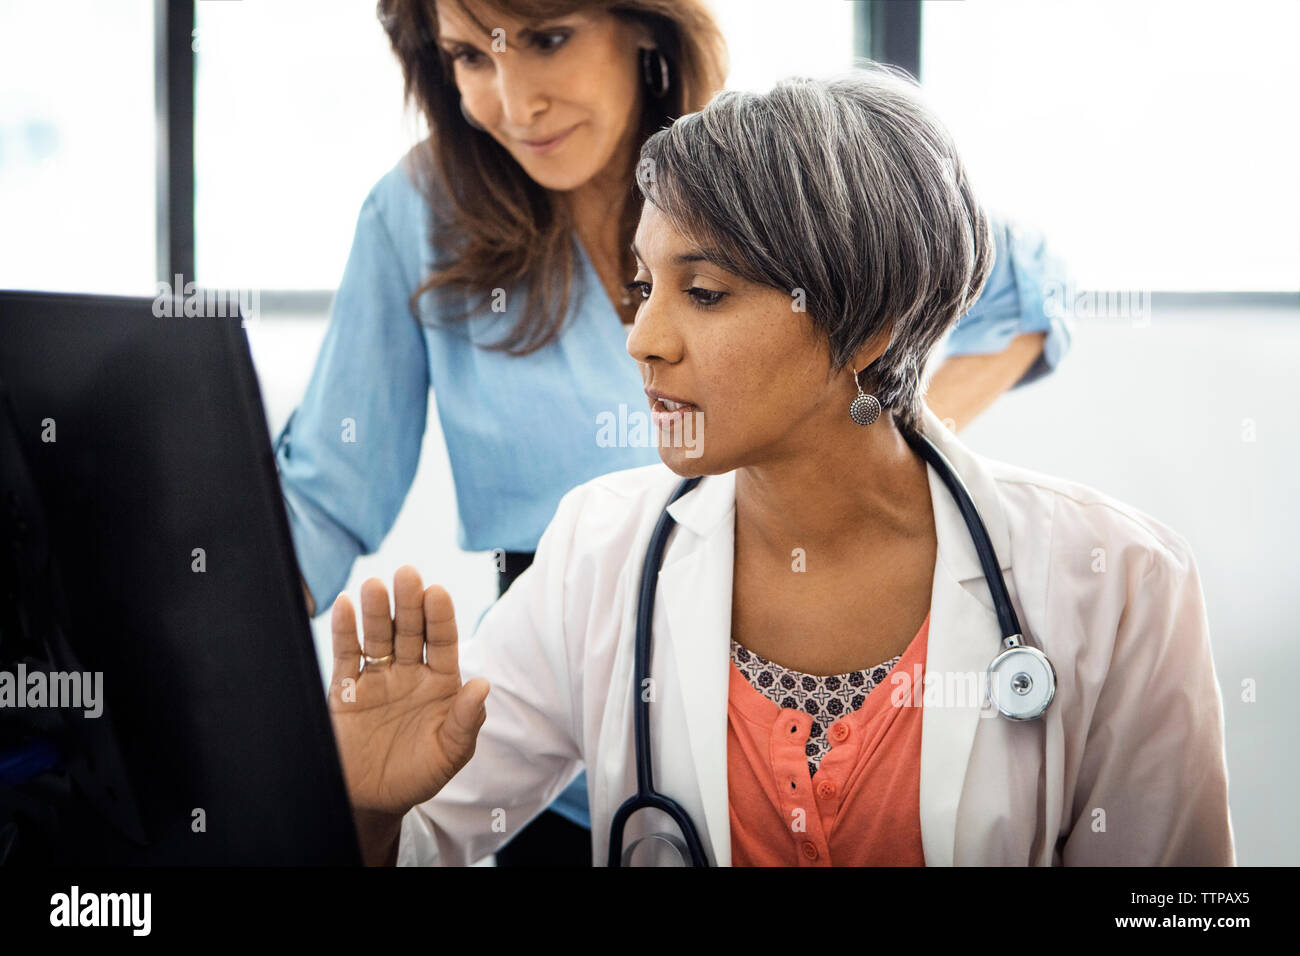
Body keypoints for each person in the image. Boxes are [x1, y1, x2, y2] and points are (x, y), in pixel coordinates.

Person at [324, 64, 1233, 867]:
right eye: (643, 287)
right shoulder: (599, 551)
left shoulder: (1120, 584)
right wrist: (367, 809)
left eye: (705, 293)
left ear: (870, 322)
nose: (642, 340)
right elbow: (417, 846)